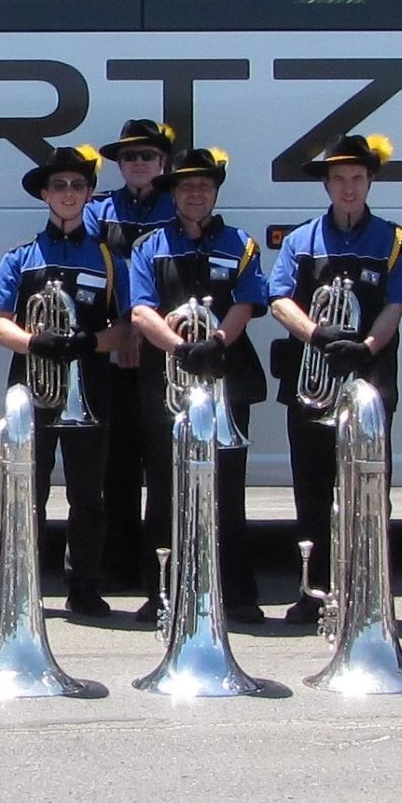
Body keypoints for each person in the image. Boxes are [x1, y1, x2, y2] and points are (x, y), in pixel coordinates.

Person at [267, 132, 402, 625]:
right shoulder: (302, 240)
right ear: (327, 185)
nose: (348, 188)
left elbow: (396, 304)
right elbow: (279, 300)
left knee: (369, 491)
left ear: (370, 180)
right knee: (312, 492)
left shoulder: (394, 241)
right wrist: (317, 333)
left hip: (369, 384)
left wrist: (366, 347)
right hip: (312, 385)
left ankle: (369, 591)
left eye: (357, 178)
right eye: (339, 179)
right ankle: (313, 591)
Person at [124, 146, 267, 625]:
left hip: (226, 375)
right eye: (187, 186)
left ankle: (236, 593)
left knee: (227, 489)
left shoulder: (242, 244)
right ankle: (161, 592)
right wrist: (181, 348)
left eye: (204, 186)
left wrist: (217, 341)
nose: (196, 194)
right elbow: (140, 310)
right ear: (174, 193)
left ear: (215, 192)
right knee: (164, 487)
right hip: (167, 380)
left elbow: (246, 302)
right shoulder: (149, 246)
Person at [0, 144, 122, 617]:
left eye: (77, 185)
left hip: (89, 388)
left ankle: (84, 585)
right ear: (45, 194)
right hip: (32, 389)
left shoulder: (108, 259)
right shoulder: (21, 257)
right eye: (59, 185)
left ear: (89, 194)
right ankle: (23, 583)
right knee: (27, 491)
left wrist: (89, 341)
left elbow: (126, 329)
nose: (68, 193)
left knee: (88, 495)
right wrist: (34, 342)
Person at [86, 119, 176, 593]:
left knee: (162, 463)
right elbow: (89, 272)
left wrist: (145, 332)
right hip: (113, 348)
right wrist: (121, 331)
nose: (138, 163)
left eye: (147, 155)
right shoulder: (98, 211)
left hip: (163, 352)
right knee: (115, 462)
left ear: (163, 161)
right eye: (129, 157)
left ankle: (159, 565)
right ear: (119, 165)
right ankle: (118, 561)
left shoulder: (178, 205)